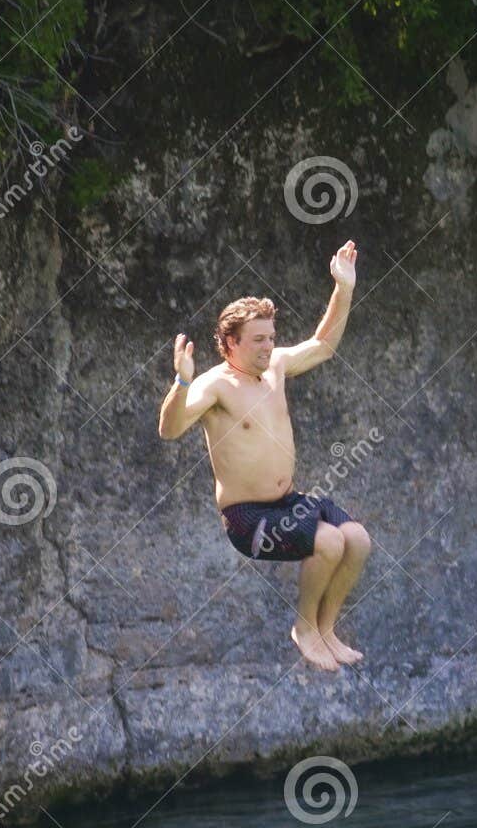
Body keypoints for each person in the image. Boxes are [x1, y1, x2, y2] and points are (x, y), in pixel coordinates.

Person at [158, 241, 371, 671]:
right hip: (247, 518)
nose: (268, 348)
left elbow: (322, 346)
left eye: (271, 338)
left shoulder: (274, 367)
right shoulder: (215, 386)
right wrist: (181, 384)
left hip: (287, 501)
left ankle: (326, 628)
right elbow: (170, 429)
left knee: (358, 541)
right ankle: (304, 627)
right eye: (257, 340)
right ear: (229, 343)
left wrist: (343, 289)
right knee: (329, 542)